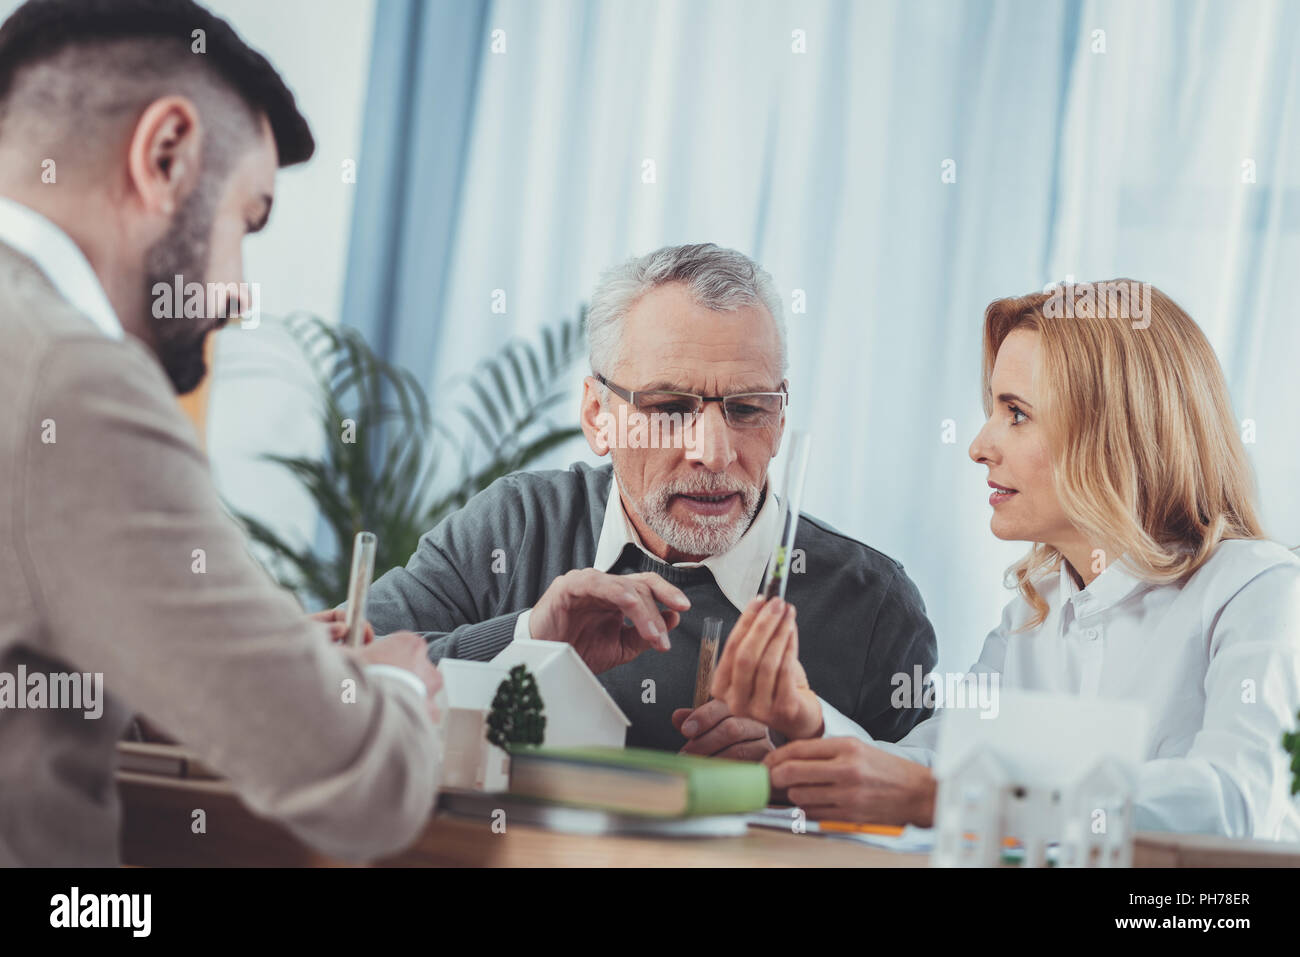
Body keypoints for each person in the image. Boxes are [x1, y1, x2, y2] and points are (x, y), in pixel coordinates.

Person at [0, 0, 443, 865]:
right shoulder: (73, 380)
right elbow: (363, 783)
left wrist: (209, 656)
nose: (241, 298)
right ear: (165, 155)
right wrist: (389, 680)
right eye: (250, 219)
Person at [726, 280, 1300, 839]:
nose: (979, 446)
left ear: (1115, 433)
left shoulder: (1255, 589)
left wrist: (946, 800)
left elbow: (1232, 803)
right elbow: (926, 767)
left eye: (1016, 413)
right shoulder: (1033, 613)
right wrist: (807, 719)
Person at [364, 243, 939, 755]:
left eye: (746, 408)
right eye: (668, 409)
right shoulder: (515, 529)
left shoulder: (874, 607)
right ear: (597, 416)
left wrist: (808, 767)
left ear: (781, 417)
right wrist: (531, 638)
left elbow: (924, 823)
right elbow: (343, 683)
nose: (713, 454)